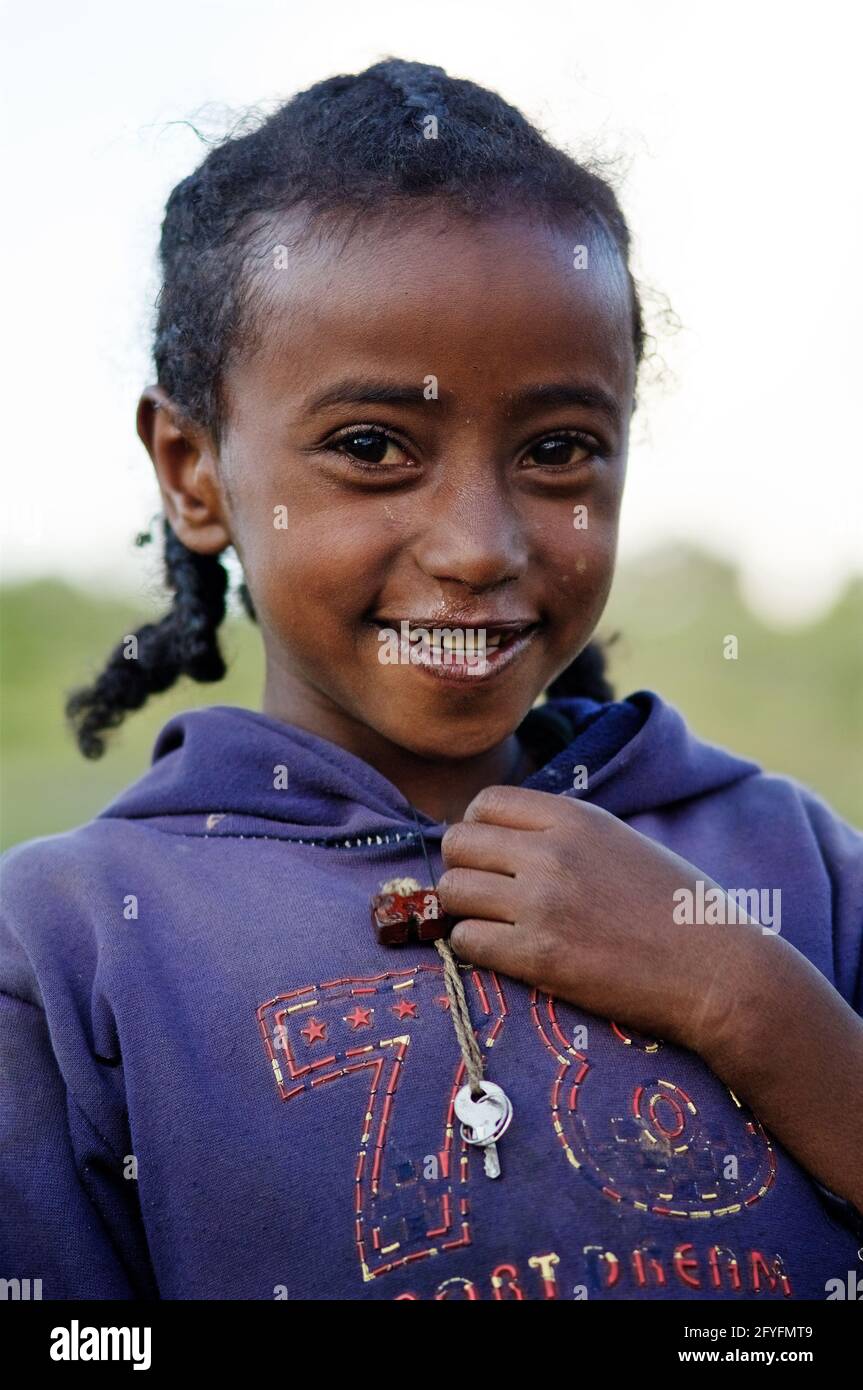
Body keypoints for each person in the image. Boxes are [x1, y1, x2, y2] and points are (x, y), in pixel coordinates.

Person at [1, 58, 861, 1303]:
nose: (479, 545)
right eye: (370, 448)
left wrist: (742, 995)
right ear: (192, 471)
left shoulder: (790, 860)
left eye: (558, 451)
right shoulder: (72, 949)